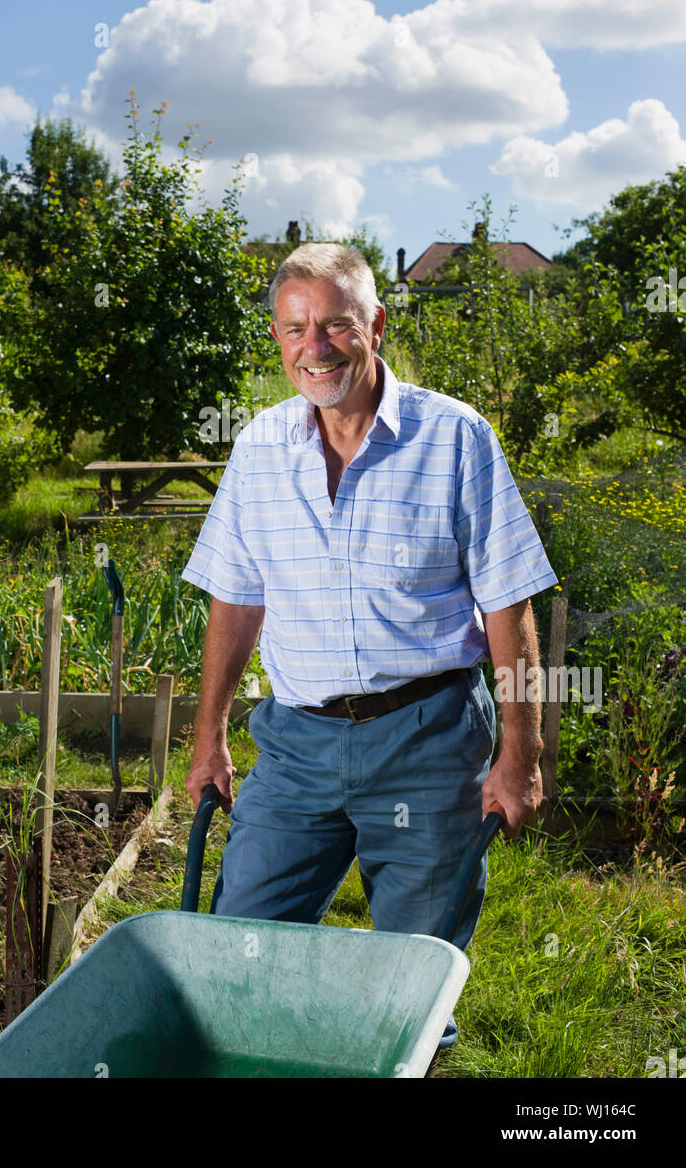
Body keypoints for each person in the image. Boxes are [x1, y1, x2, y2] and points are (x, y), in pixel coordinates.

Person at [181, 242, 558, 1048]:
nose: (314, 348)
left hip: (426, 740)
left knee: (410, 985)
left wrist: (519, 753)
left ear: (376, 325)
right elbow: (236, 601)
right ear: (278, 340)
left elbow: (509, 609)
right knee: (237, 949)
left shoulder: (456, 438)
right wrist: (208, 736)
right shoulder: (258, 450)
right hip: (296, 745)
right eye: (294, 329)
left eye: (336, 326)